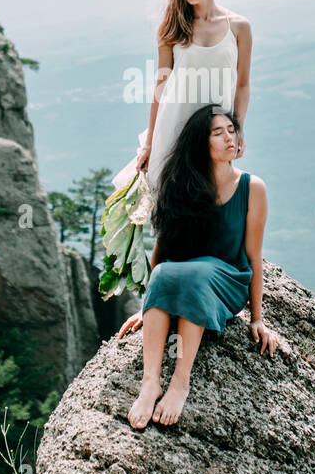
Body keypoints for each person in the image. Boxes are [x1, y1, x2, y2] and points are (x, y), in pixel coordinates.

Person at [118, 105, 281, 428]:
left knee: (195, 274)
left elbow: (253, 256)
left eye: (231, 130)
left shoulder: (252, 188)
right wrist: (150, 304)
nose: (228, 138)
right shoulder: (182, 184)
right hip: (188, 275)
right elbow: (164, 247)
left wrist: (258, 318)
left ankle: (180, 381)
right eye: (217, 133)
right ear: (200, 143)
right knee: (166, 273)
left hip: (228, 280)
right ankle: (150, 382)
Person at [121, 0, 253, 198]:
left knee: (210, 208)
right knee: (170, 216)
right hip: (174, 129)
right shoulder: (172, 28)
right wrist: (149, 142)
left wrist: (237, 129)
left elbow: (243, 84)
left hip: (215, 134)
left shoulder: (239, 27)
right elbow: (160, 88)